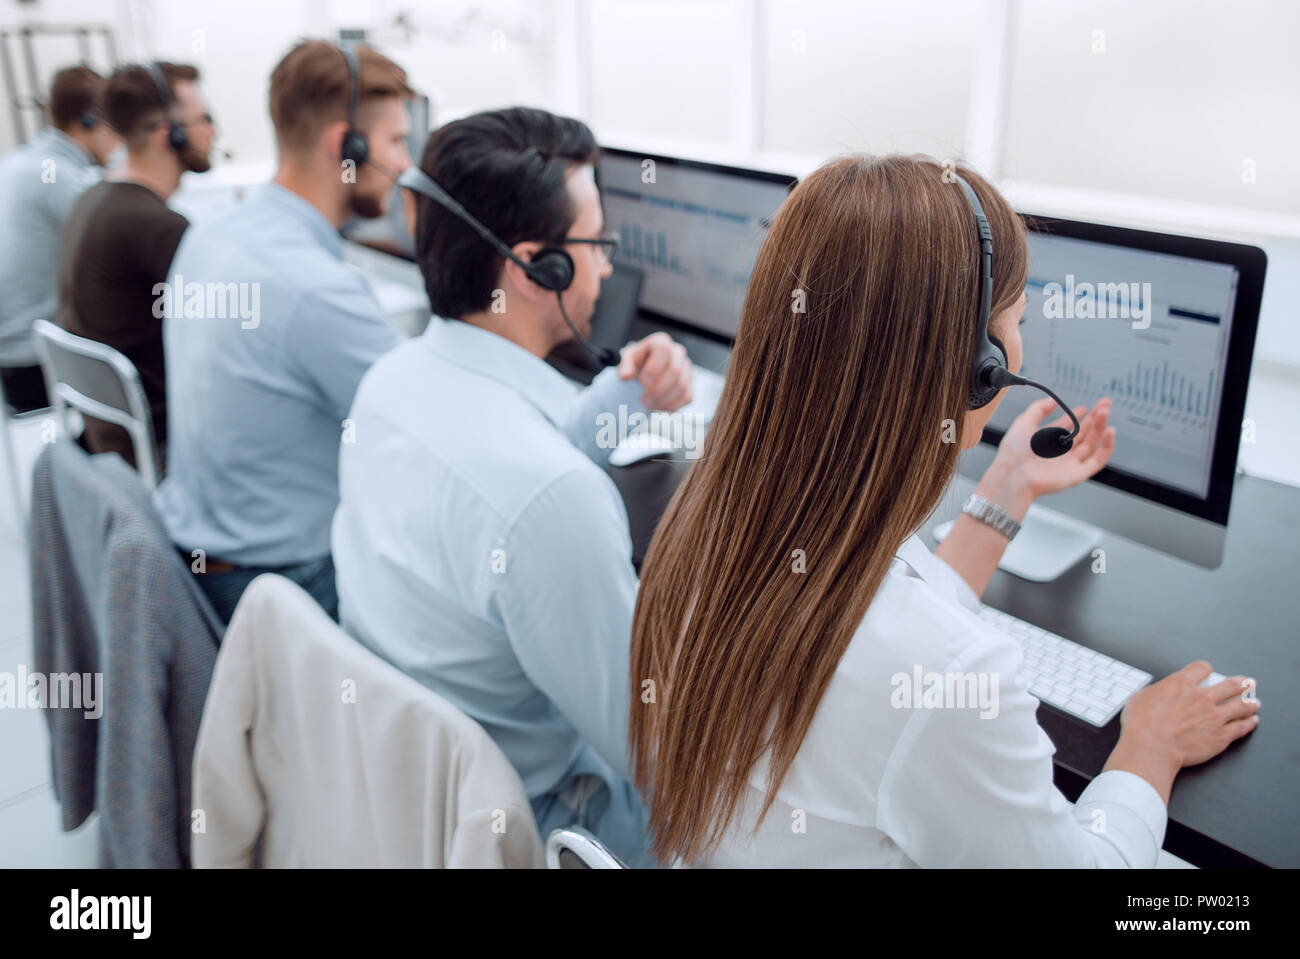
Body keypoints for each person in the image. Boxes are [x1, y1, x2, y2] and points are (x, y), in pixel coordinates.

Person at [627, 155, 1261, 867]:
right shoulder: (953, 678)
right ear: (977, 365)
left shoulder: (706, 522)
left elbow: (863, 615)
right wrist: (1152, 744)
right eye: (1016, 322)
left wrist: (1008, 486)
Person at [330, 107, 694, 866]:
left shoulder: (387, 385)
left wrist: (628, 393)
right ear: (537, 269)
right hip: (533, 819)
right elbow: (661, 755)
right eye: (598, 246)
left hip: (405, 792)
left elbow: (503, 462)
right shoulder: (552, 499)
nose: (604, 270)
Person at [156, 41, 412, 624]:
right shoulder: (316, 288)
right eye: (396, 142)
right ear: (345, 146)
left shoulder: (210, 233)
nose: (403, 164)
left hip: (201, 562)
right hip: (283, 585)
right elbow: (428, 434)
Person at [56, 61, 214, 466]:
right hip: (158, 447)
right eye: (204, 119)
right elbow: (228, 338)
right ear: (170, 134)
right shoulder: (158, 227)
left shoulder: (92, 199)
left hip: (105, 437)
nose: (214, 131)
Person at [0, 65, 117, 413]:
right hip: (38, 360)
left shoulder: (19, 161)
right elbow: (113, 254)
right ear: (91, 119)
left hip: (12, 355)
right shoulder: (60, 177)